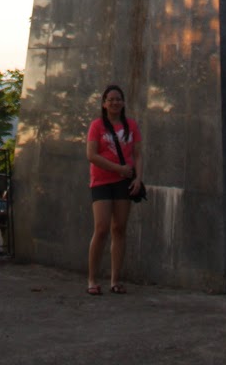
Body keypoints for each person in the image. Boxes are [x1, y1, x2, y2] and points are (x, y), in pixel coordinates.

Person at [85, 84, 142, 295]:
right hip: (101, 181)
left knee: (119, 228)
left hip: (123, 182)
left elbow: (138, 154)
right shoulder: (97, 126)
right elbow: (91, 155)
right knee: (101, 228)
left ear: (123, 102)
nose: (115, 102)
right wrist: (118, 168)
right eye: (111, 99)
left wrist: (138, 178)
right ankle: (92, 279)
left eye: (118, 99)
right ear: (104, 103)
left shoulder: (131, 125)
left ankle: (115, 279)